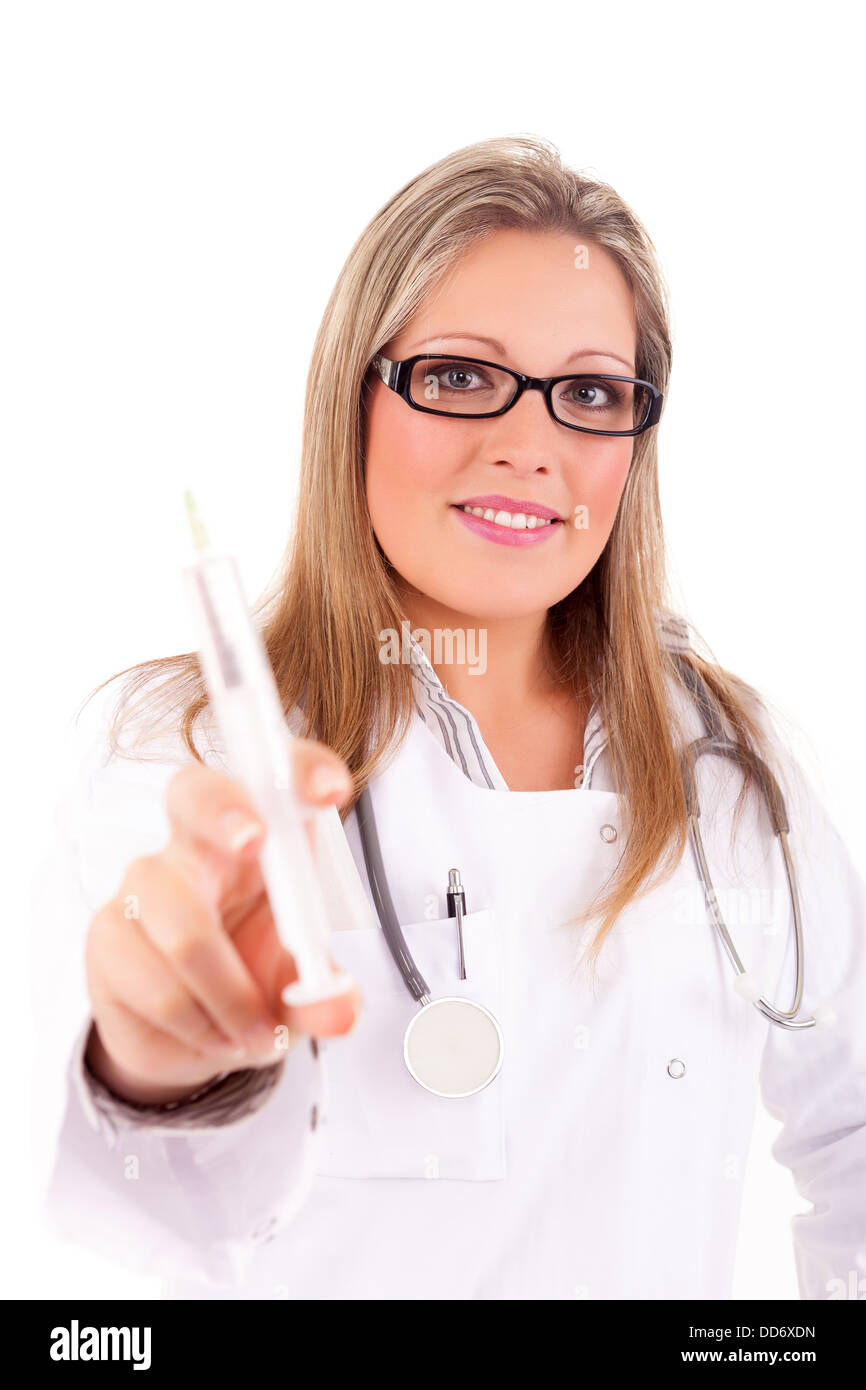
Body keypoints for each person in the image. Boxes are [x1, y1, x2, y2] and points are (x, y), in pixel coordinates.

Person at [43, 134, 866, 1300]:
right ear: (354, 396)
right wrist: (156, 1067)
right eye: (461, 376)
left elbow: (853, 1142)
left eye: (587, 393)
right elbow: (130, 1215)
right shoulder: (191, 754)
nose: (528, 447)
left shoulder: (734, 768)